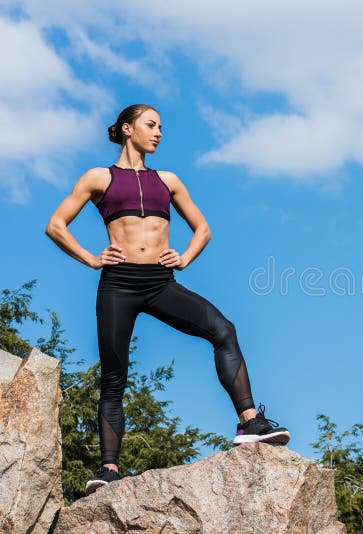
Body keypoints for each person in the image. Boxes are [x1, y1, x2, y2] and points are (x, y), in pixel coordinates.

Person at [45, 104, 290, 496]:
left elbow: (203, 228)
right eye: (151, 125)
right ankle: (108, 471)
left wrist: (186, 256)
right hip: (118, 285)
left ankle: (249, 422)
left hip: (161, 282)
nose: (158, 132)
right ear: (128, 129)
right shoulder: (98, 177)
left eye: (161, 127)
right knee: (113, 376)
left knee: (223, 330)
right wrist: (91, 258)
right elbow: (55, 225)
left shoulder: (168, 180)